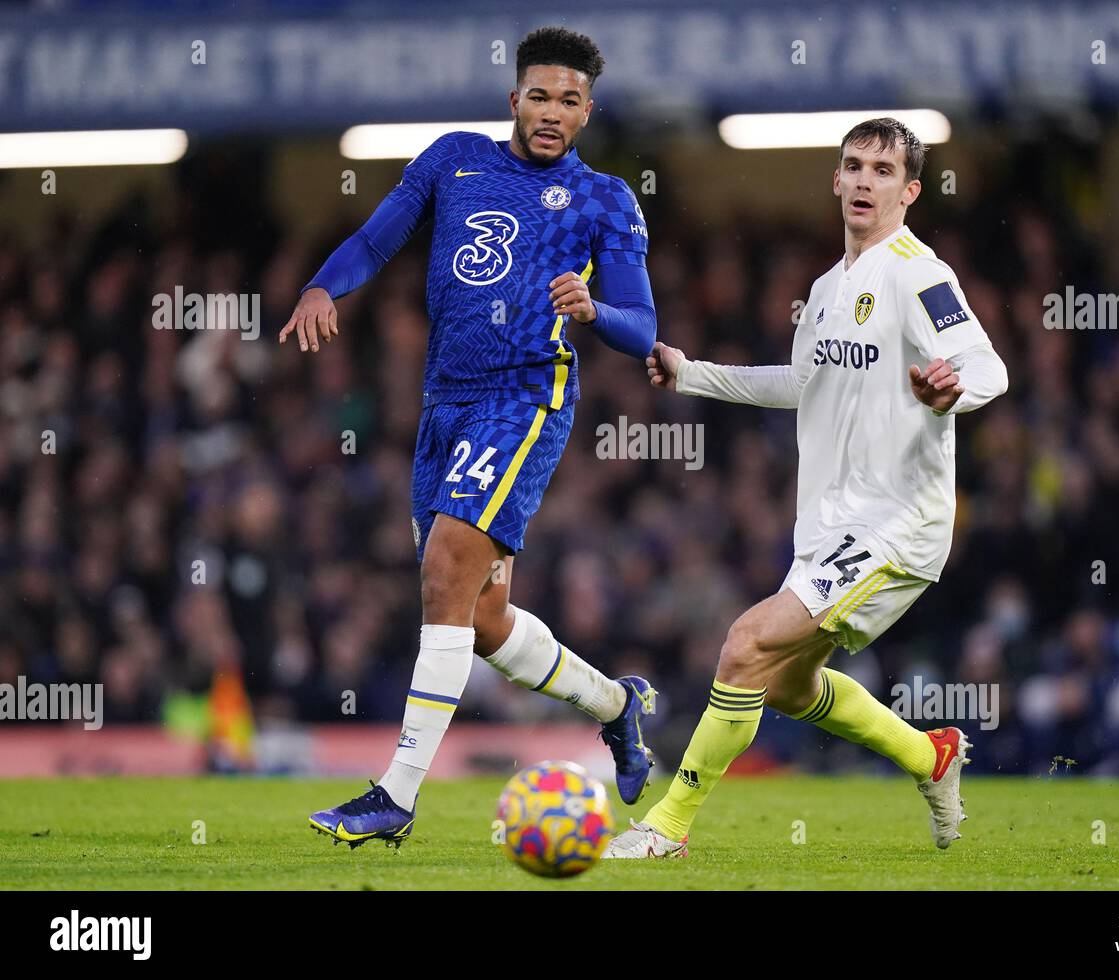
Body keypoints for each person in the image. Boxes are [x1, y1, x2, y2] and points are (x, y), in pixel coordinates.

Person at [282, 27, 659, 849]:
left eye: (569, 100)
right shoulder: (453, 159)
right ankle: (618, 706)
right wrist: (321, 286)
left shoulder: (604, 199)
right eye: (540, 95)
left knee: (447, 563)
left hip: (525, 399)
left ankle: (395, 795)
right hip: (443, 404)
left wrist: (597, 312)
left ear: (587, 111)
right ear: (513, 99)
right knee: (482, 620)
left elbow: (642, 326)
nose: (553, 112)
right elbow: (377, 239)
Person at [606, 117, 1008, 858]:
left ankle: (666, 825)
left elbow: (987, 366)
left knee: (744, 646)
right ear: (835, 177)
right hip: (829, 525)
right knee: (788, 687)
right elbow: (800, 384)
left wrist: (955, 389)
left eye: (883, 171)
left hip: (899, 523)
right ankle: (933, 757)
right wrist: (692, 373)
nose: (863, 181)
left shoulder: (920, 274)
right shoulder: (826, 289)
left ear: (910, 191)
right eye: (853, 165)